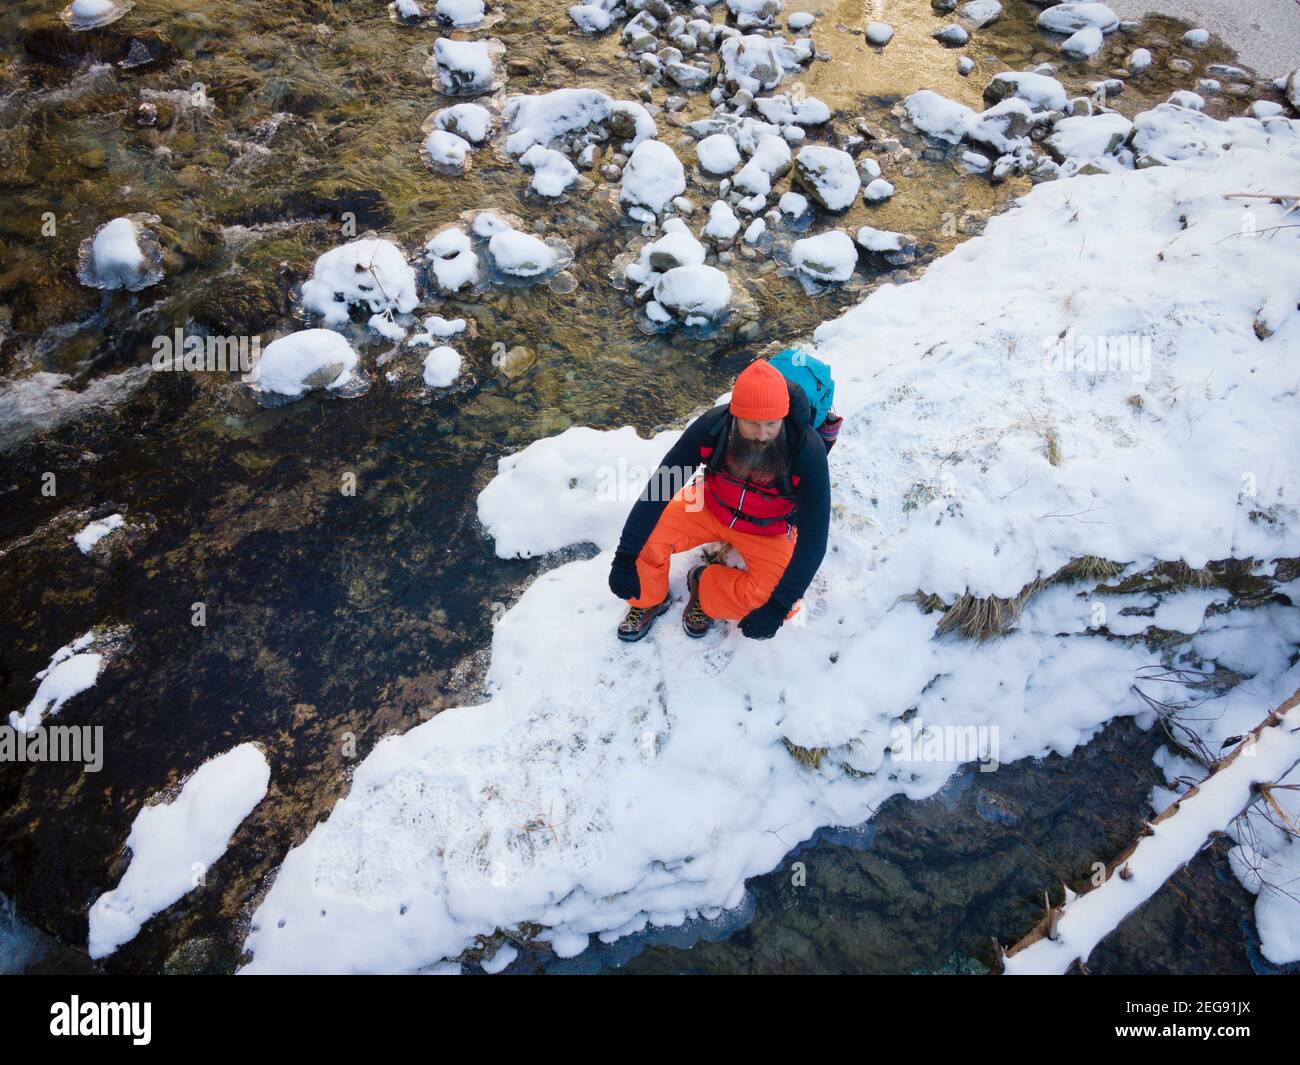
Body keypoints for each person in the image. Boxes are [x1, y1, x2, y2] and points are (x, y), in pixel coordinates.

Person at [608, 358, 832, 642]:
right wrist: (624, 557)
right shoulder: (712, 428)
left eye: (772, 424)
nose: (762, 435)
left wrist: (775, 609)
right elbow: (660, 489)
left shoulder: (806, 450)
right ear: (736, 416)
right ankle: (647, 597)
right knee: (644, 537)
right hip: (709, 506)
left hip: (768, 529)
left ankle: (706, 587)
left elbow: (815, 539)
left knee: (778, 600)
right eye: (752, 424)